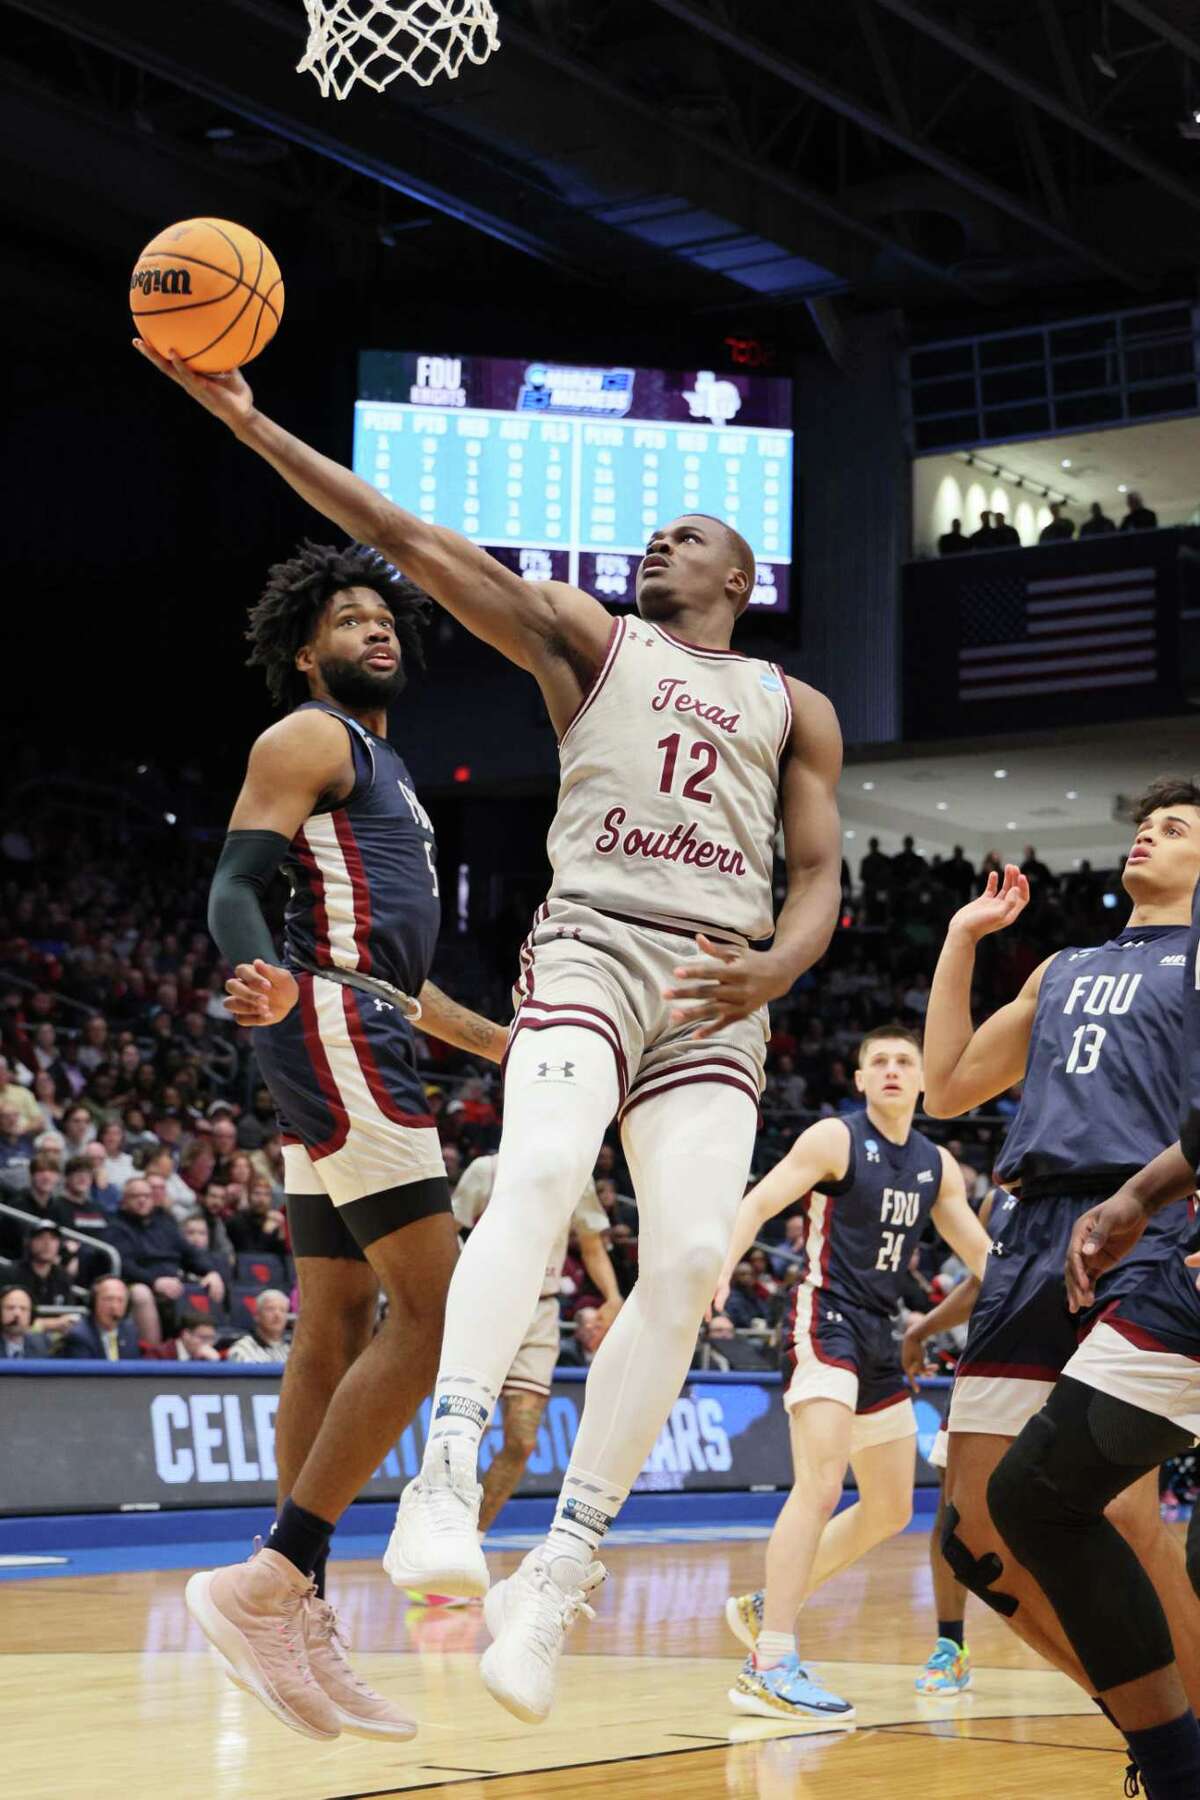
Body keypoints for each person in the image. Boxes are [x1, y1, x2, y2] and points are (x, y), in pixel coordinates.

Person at [135, 336, 843, 1728]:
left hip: (709, 989)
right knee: (525, 1182)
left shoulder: (791, 705)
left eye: (687, 532)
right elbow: (399, 527)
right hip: (588, 942)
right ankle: (442, 1476)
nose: (658, 537)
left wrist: (776, 970)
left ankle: (542, 1572)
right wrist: (252, 423)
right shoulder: (587, 637)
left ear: (738, 581)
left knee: (690, 1256)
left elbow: (818, 879)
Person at [166, 538, 506, 1743]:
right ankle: (273, 1580)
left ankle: (294, 1600)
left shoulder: (391, 768)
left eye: (386, 618)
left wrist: (514, 1048)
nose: (379, 631)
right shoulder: (310, 737)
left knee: (337, 1320)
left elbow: (406, 981)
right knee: (441, 1312)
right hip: (333, 1023)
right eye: (351, 620)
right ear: (306, 650)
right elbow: (233, 885)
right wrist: (260, 972)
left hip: (368, 1018)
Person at [922, 778, 1200, 1713]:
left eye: (1174, 829)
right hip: (1031, 1232)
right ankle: (1162, 1732)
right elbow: (949, 1087)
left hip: (1147, 1224)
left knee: (1116, 1508)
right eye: (1145, 827)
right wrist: (963, 941)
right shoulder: (1064, 968)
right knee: (976, 1531)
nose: (1147, 839)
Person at [983, 874, 1200, 1800]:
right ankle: (1176, 1772)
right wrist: (1140, 1197)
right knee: (1025, 1500)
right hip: (1165, 1259)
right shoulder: (1094, 971)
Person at [717, 1026, 989, 1720]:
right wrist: (719, 1269)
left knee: (892, 1507)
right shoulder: (834, 1139)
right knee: (820, 1481)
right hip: (825, 1318)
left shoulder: (936, 1165)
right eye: (880, 1063)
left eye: (905, 1062)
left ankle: (764, 1604)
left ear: (923, 1079)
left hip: (879, 1338)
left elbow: (987, 1260)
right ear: (860, 1079)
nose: (893, 1071)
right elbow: (756, 1202)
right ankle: (769, 1659)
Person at [450, 1151, 621, 1538]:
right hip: (484, 1306)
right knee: (463, 1436)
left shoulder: (577, 1174)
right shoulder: (486, 1169)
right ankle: (441, 1530)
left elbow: (592, 1245)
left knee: (523, 1440)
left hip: (541, 1311)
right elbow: (448, 1232)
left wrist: (612, 1295)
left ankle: (471, 1538)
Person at [901, 1187, 1000, 1695]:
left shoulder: (1106, 1176)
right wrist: (922, 1329)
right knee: (953, 1514)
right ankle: (950, 1646)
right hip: (988, 1364)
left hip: (1066, 1362)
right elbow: (982, 1282)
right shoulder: (998, 1201)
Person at [106, 1176, 224, 1344]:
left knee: (210, 1283)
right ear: (124, 1200)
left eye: (146, 1196)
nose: (142, 1200)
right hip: (139, 1282)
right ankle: (153, 1353)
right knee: (141, 1294)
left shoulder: (164, 1220)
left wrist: (210, 1271)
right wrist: (154, 1282)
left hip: (174, 1280)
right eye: (135, 1196)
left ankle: (207, 1350)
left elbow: (188, 1251)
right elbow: (125, 1265)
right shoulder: (116, 1226)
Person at [57, 1276, 141, 1360]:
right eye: (108, 1299)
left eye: (120, 1300)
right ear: (94, 1302)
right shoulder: (79, 1335)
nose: (114, 1306)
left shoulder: (130, 1332)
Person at [10, 1222, 77, 1309]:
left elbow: (69, 1313)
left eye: (53, 1238)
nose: (47, 1243)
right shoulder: (12, 1273)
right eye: (41, 1237)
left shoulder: (63, 1277)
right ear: (29, 1242)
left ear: (59, 1245)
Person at [226, 1288, 292, 1364]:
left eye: (282, 1310)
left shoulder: (290, 1350)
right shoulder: (242, 1349)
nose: (277, 1315)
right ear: (257, 1315)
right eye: (270, 1309)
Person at [142, 1307, 223, 1362]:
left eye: (211, 1338)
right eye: (203, 1338)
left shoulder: (210, 1356)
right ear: (186, 1334)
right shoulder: (158, 1355)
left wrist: (214, 1363)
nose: (208, 1344)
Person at [1, 1284, 44, 1358]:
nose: (17, 1314)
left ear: (31, 1315)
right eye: (10, 1308)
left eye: (23, 1309)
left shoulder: (42, 1345)